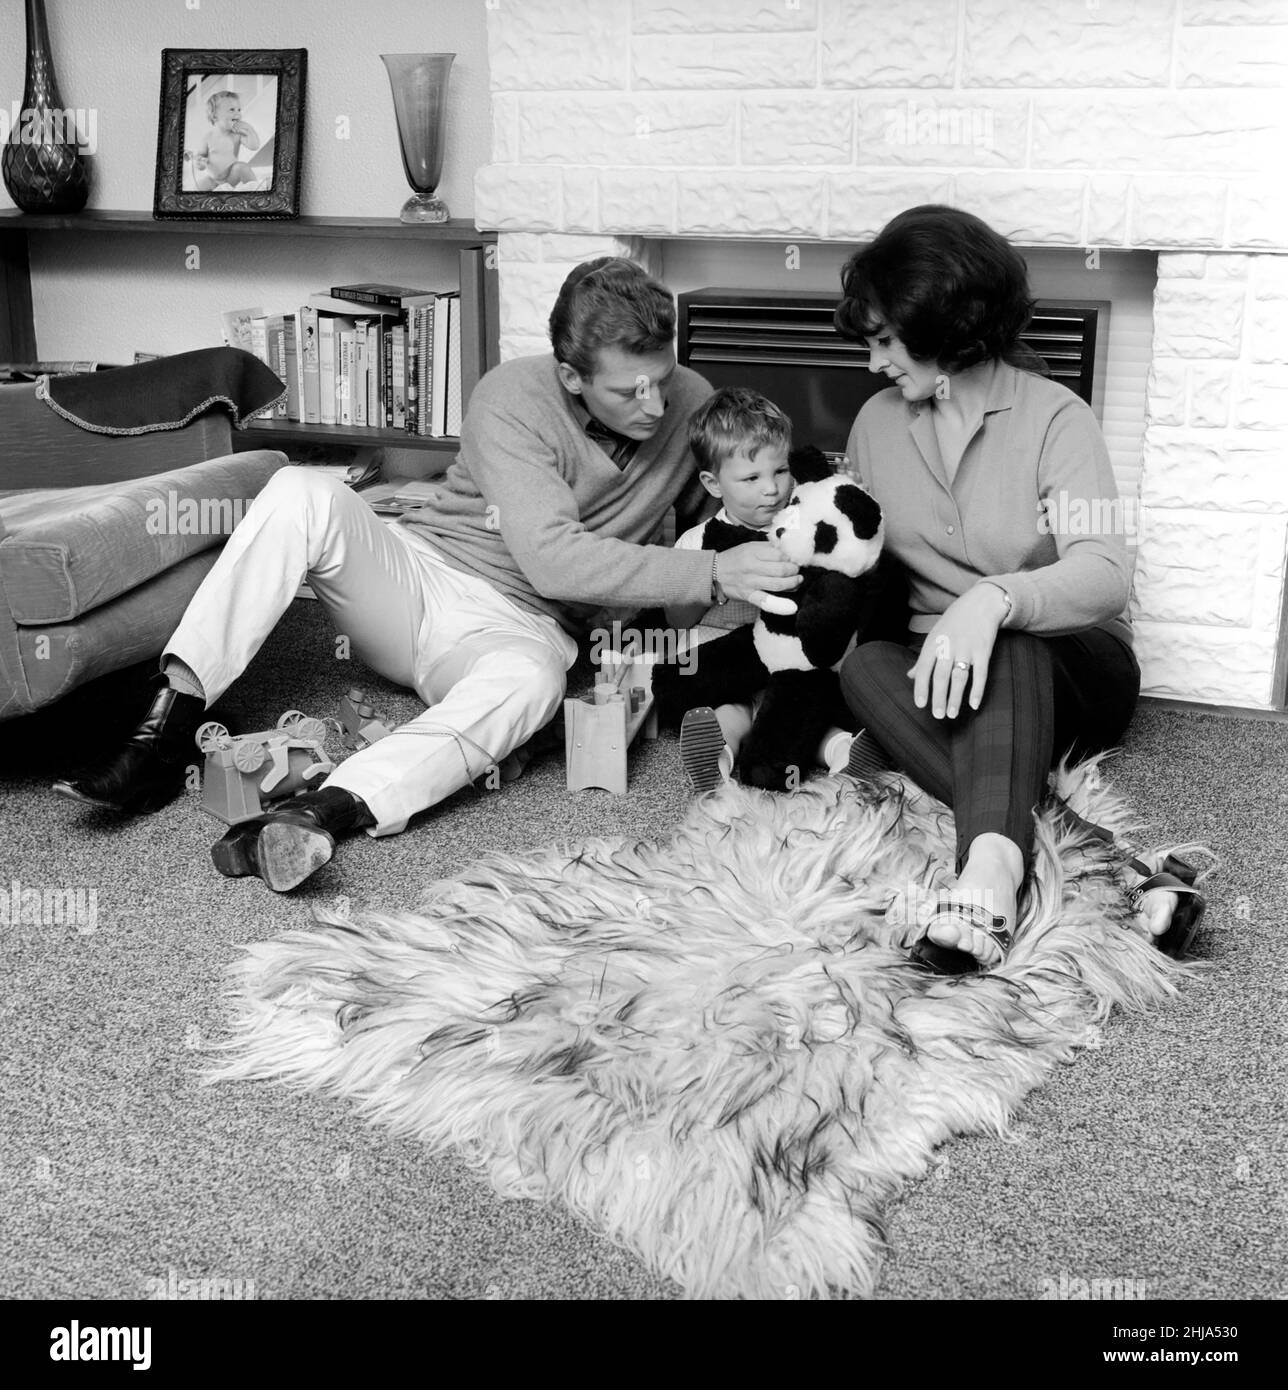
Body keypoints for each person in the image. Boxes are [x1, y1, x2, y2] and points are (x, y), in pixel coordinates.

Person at [53, 258, 801, 891]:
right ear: (571, 376)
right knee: (300, 489)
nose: (656, 403)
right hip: (419, 581)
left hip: (522, 630)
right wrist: (711, 570)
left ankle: (324, 813)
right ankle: (165, 728)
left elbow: (745, 492)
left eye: (661, 379)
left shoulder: (693, 404)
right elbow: (553, 557)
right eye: (628, 390)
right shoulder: (511, 396)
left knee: (534, 686)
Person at [834, 204, 1201, 975]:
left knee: (1011, 644)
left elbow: (1105, 571)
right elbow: (858, 558)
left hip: (1068, 662)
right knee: (865, 667)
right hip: (945, 672)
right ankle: (1113, 868)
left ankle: (991, 873)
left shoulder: (1058, 417)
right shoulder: (873, 424)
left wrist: (992, 600)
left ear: (941, 326)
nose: (874, 364)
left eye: (885, 341)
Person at [651, 386, 860, 791]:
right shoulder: (697, 542)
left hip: (790, 657)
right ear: (713, 484)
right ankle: (716, 756)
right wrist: (718, 582)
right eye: (751, 478)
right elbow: (677, 621)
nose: (772, 488)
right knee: (730, 707)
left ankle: (844, 754)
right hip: (726, 653)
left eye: (780, 471)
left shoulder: (807, 528)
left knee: (802, 707)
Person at [192, 91, 261, 191]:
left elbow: (254, 146)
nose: (237, 113)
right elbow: (201, 155)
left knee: (242, 167)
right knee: (198, 186)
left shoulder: (237, 134)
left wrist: (249, 129)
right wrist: (200, 163)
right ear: (215, 115)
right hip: (213, 179)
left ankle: (255, 190)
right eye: (232, 110)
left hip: (231, 177)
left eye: (239, 110)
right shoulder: (208, 137)